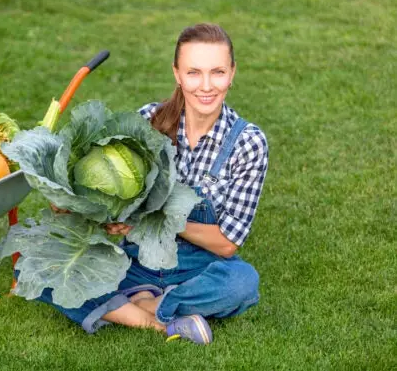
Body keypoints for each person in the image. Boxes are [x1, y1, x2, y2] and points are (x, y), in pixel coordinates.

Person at [38, 23, 269, 345]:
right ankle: (162, 322)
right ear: (177, 74)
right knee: (46, 270)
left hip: (198, 263)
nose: (205, 86)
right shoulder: (148, 119)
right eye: (193, 73)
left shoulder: (247, 142)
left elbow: (226, 245)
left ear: (232, 73)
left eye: (217, 72)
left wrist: (153, 219)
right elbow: (109, 183)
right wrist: (75, 200)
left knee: (241, 283)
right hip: (134, 258)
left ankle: (140, 305)